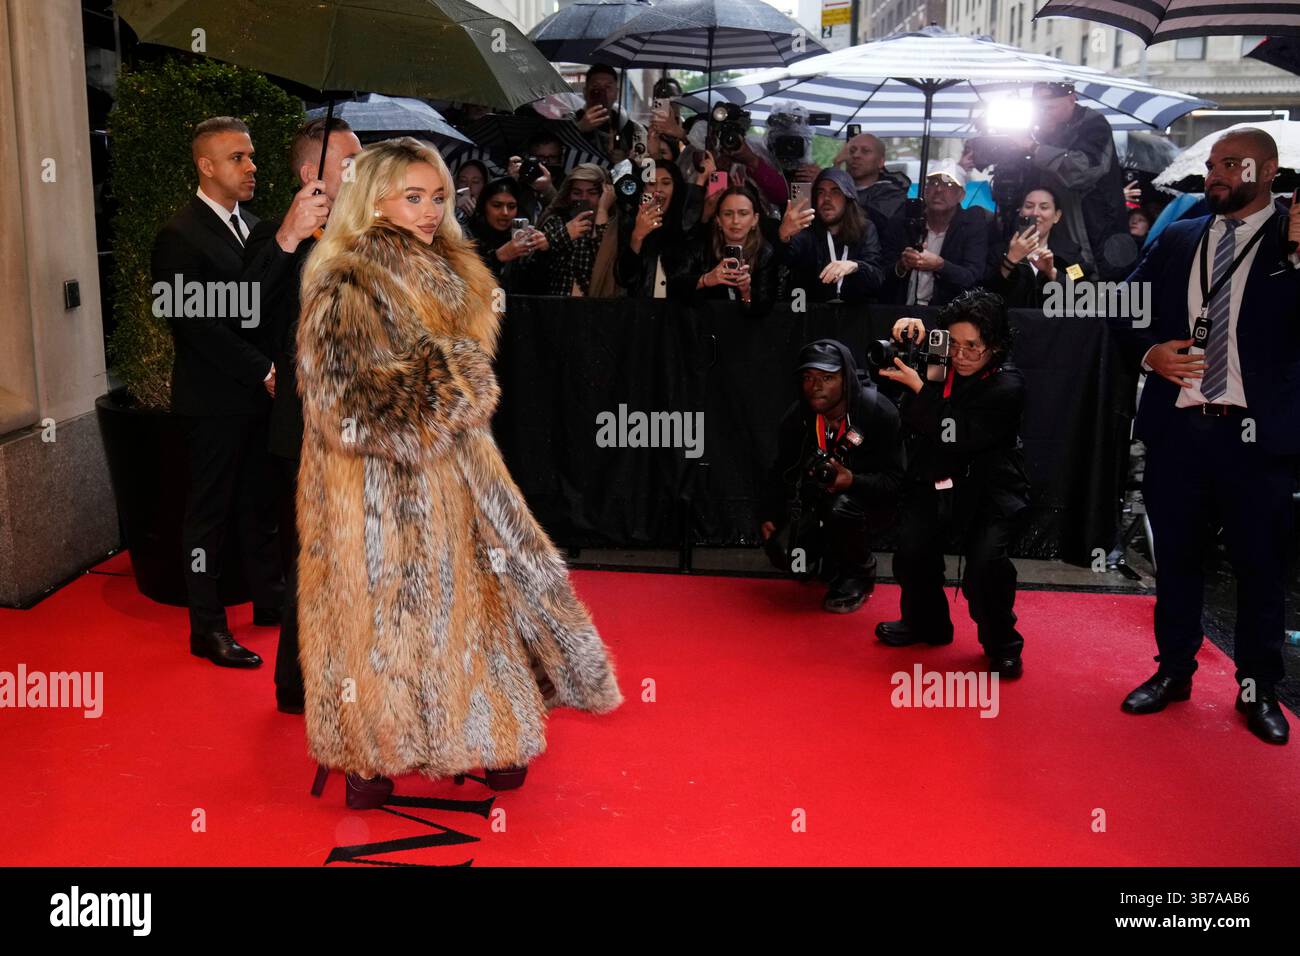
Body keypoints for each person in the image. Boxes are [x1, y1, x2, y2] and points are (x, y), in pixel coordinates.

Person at [295, 137, 622, 807]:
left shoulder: (454, 266)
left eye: (437, 196)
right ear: (373, 199)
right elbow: (342, 402)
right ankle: (369, 752)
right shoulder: (347, 276)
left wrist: (456, 389)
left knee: (479, 600)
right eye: (411, 196)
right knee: (387, 622)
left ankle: (487, 731)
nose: (427, 209)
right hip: (377, 488)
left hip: (462, 470)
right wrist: (451, 380)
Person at [1111, 128, 1300, 744]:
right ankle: (1173, 672)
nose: (1215, 174)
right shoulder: (1180, 234)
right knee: (1179, 563)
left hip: (1257, 437)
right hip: (1180, 431)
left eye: (1230, 163)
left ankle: (1257, 688)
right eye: (1212, 164)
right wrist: (1149, 355)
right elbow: (1125, 309)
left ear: (1267, 170)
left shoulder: (1291, 239)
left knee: (1260, 568)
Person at [151, 116, 283, 669]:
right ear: (206, 166)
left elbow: (256, 308)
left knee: (259, 506)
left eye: (250, 156)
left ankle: (271, 602)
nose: (251, 166)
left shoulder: (253, 226)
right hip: (212, 402)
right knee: (208, 517)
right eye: (238, 158)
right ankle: (206, 627)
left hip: (257, 397)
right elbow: (191, 323)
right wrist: (262, 369)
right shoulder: (178, 235)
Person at [241, 116, 362, 711]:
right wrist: (290, 236)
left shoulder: (366, 232)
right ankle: (295, 685)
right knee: (308, 562)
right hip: (306, 431)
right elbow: (243, 311)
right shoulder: (273, 238)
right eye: (348, 161)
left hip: (366, 429)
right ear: (311, 173)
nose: (359, 171)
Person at [876, 290, 1031, 679]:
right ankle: (927, 625)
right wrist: (907, 335)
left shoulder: (1008, 385)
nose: (960, 356)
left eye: (972, 347)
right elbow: (908, 388)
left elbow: (953, 432)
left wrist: (919, 389)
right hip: (935, 478)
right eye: (954, 343)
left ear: (994, 346)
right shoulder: (941, 359)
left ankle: (1002, 644)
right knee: (912, 551)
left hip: (990, 489)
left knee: (984, 567)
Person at [759, 340, 905, 613]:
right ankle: (829, 556)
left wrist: (853, 480)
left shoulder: (878, 413)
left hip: (873, 503)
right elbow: (780, 469)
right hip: (819, 499)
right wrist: (769, 514)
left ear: (847, 379)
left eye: (827, 377)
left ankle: (859, 573)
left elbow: (897, 484)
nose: (816, 386)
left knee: (840, 507)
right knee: (783, 553)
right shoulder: (798, 418)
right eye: (808, 377)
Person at [1004, 81, 1135, 280]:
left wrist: (1033, 147)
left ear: (1072, 99)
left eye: (1051, 107)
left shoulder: (1094, 124)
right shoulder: (1038, 130)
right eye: (1039, 108)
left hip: (1093, 231)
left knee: (1088, 279)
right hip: (1055, 234)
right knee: (1057, 276)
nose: (1044, 113)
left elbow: (1084, 170)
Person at [777, 167, 886, 304]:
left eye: (835, 192)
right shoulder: (805, 229)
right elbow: (784, 259)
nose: (826, 198)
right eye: (820, 192)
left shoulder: (865, 229)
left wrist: (855, 266)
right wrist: (783, 235)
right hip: (810, 313)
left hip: (854, 315)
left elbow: (877, 278)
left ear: (848, 197)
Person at [668, 184, 777, 313]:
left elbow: (765, 309)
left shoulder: (765, 252)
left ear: (754, 220)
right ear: (718, 220)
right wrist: (706, 280)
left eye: (743, 213)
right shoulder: (701, 245)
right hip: (703, 325)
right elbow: (673, 286)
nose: (735, 221)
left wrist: (746, 292)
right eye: (728, 213)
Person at [894, 160, 989, 308]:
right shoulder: (908, 221)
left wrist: (941, 266)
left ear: (961, 195)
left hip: (946, 313)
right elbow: (883, 272)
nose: (938, 190)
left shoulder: (971, 226)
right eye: (933, 182)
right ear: (925, 190)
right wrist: (902, 265)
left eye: (949, 185)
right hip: (903, 309)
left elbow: (973, 278)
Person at [985, 185, 1087, 309]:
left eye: (1044, 207)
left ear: (1057, 216)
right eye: (1028, 206)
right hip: (1012, 325)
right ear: (1021, 212)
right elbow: (987, 295)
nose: (1035, 213)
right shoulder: (999, 251)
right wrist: (1011, 259)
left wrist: (1052, 273)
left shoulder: (1071, 253)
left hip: (1055, 325)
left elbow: (1084, 296)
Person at [614, 158, 699, 298]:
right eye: (651, 184)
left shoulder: (686, 224)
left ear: (676, 188)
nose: (658, 190)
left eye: (666, 183)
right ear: (643, 190)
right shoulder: (630, 223)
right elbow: (624, 278)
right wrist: (637, 236)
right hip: (642, 312)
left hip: (677, 313)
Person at [534, 163, 621, 297]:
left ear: (604, 195)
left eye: (592, 193)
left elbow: (603, 267)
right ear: (568, 195)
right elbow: (539, 267)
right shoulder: (556, 221)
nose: (584, 198)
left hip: (597, 310)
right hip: (555, 307)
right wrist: (565, 235)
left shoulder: (615, 226)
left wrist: (602, 211)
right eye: (577, 193)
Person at [464, 175, 541, 289]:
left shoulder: (520, 237)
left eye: (511, 206)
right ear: (483, 206)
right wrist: (498, 257)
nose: (505, 212)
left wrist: (542, 252)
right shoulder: (467, 236)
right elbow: (466, 280)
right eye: (497, 205)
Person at [574, 63, 646, 164]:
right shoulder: (570, 122)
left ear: (616, 93)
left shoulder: (634, 129)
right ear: (585, 92)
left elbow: (647, 172)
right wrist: (579, 130)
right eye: (596, 87)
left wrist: (626, 162)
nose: (602, 92)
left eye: (608, 87)